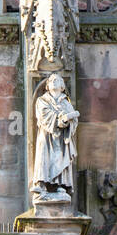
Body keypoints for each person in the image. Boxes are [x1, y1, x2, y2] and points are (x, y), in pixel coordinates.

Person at [30, 73, 79, 204]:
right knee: (43, 157)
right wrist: (60, 119)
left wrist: (67, 121)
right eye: (52, 80)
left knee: (61, 157)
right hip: (46, 136)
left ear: (63, 87)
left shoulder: (65, 102)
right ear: (47, 86)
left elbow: (73, 120)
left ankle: (60, 185)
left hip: (62, 138)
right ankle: (41, 184)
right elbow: (44, 115)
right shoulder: (42, 100)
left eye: (58, 80)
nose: (54, 81)